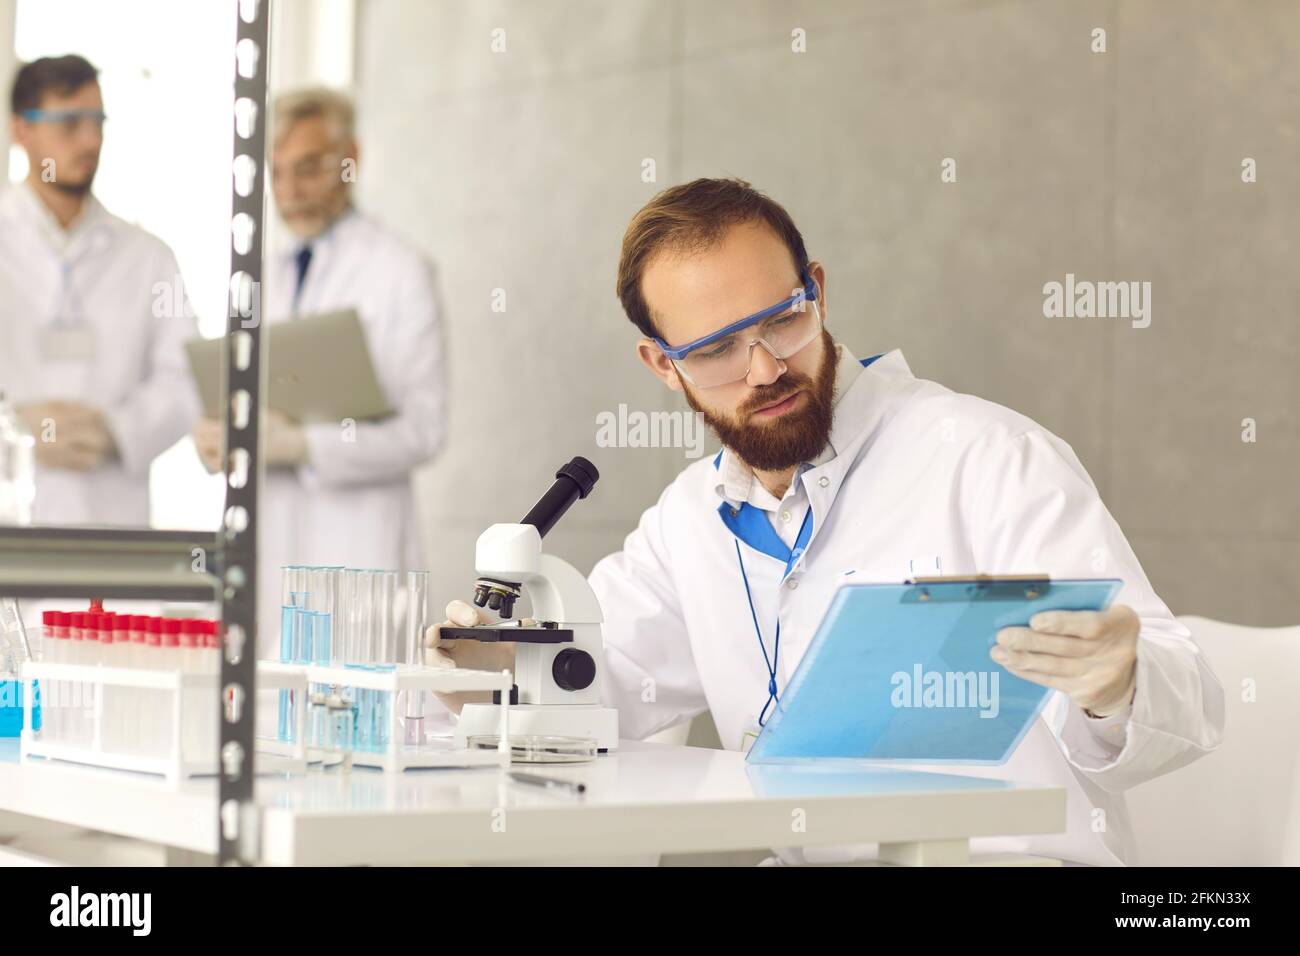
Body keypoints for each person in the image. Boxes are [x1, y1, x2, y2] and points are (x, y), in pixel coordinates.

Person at [427, 177, 1223, 865]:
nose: (766, 367)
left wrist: (1116, 684)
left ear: (817, 288)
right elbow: (601, 692)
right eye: (717, 350)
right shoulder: (688, 521)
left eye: (783, 320)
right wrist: (503, 676)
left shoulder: (987, 456)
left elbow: (1189, 691)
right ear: (662, 365)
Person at [193, 88, 445, 656]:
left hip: (362, 547)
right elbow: (231, 397)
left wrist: (302, 445)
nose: (289, 192)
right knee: (260, 722)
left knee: (359, 719)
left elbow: (424, 431)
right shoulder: (258, 275)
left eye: (307, 169)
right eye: (276, 173)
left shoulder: (400, 271)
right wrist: (218, 436)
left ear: (350, 156)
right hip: (270, 542)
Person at [0, 54, 196, 525]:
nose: (91, 140)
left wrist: (116, 430)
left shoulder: (149, 257)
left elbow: (187, 378)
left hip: (109, 521)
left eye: (97, 121)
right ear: (21, 131)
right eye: (70, 123)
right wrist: (13, 429)